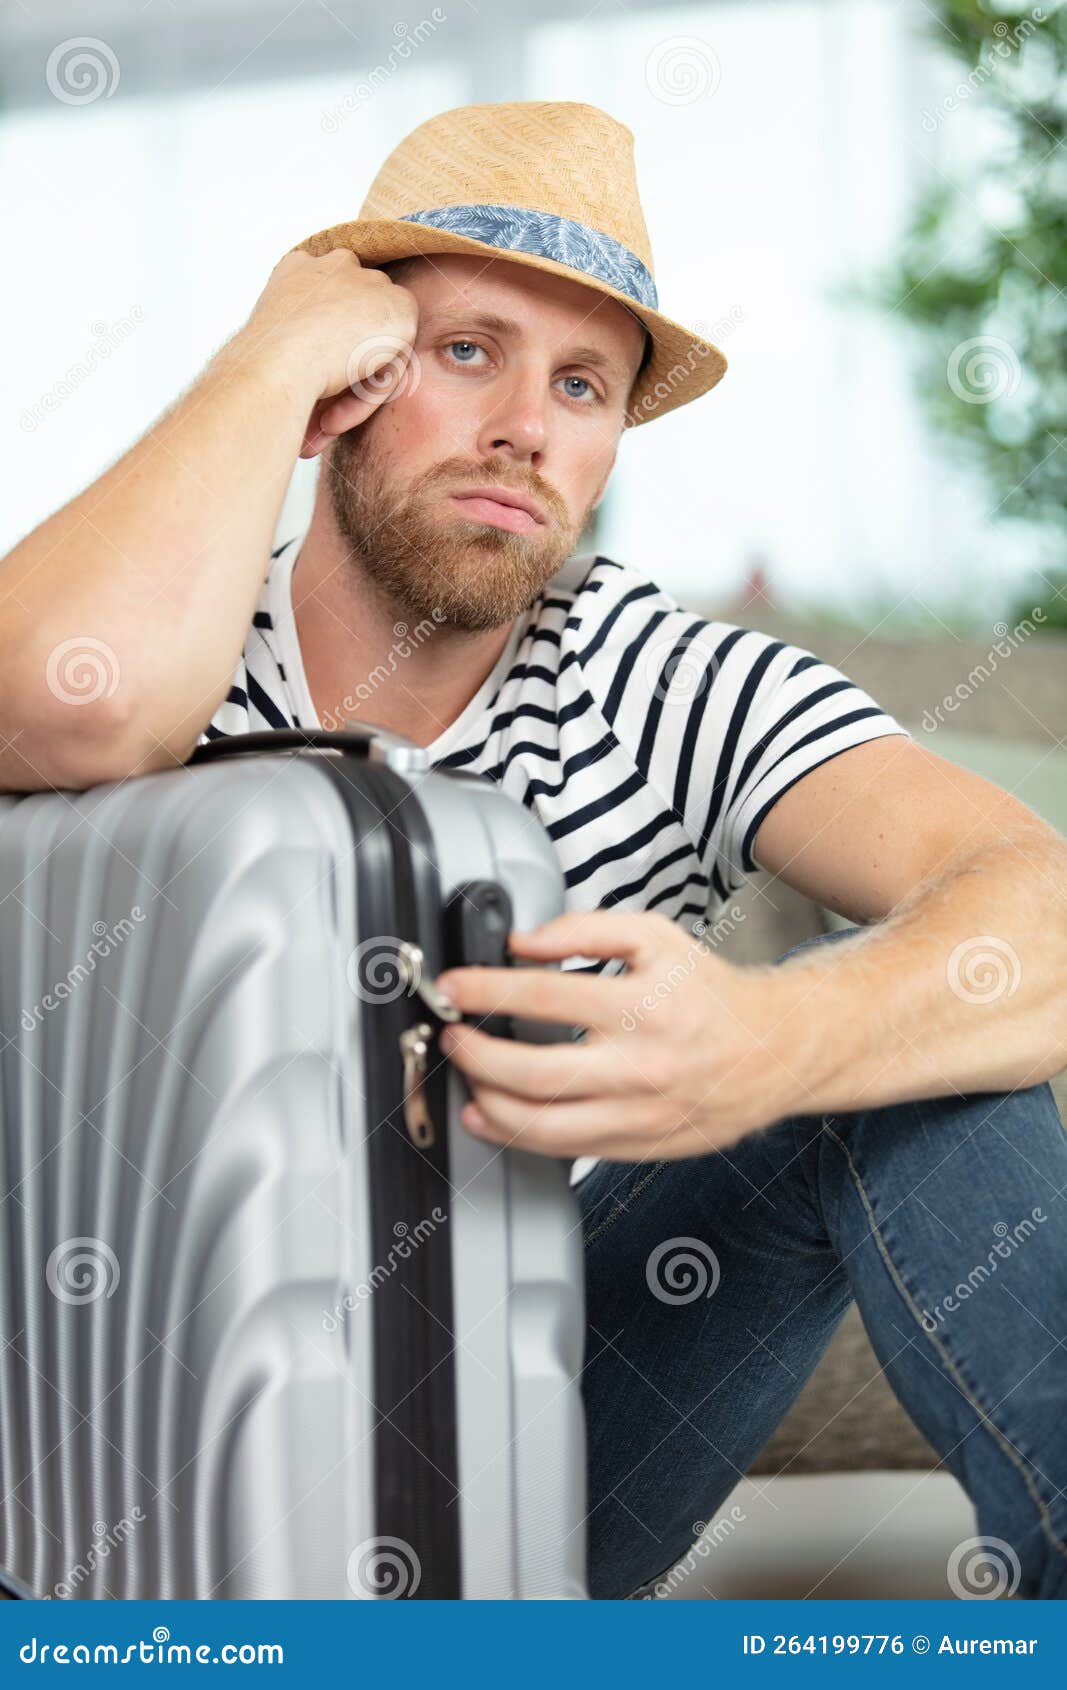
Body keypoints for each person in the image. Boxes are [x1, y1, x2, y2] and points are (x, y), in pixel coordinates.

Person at [2, 101, 1065, 1601]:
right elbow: (53, 703)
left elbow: (1036, 908)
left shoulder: (657, 675)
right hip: (102, 1477)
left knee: (929, 1052)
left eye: (583, 383)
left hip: (500, 1469)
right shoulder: (168, 636)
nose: (526, 426)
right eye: (465, 351)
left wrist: (771, 1036)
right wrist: (260, 359)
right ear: (346, 374)